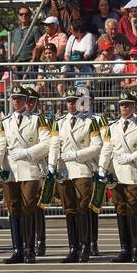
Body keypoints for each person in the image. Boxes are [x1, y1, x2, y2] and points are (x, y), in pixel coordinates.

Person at [0, 84, 52, 264]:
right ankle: (17, 249)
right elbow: (1, 145)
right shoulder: (6, 121)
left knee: (28, 207)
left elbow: (47, 143)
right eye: (14, 98)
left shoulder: (37, 119)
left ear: (26, 101)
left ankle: (29, 249)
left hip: (30, 168)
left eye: (20, 98)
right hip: (10, 169)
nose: (16, 101)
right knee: (13, 209)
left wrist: (27, 152)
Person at [98, 89, 137, 263]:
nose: (124, 108)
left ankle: (136, 248)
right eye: (122, 105)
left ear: (134, 106)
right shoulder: (112, 127)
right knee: (121, 210)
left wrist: (132, 156)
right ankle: (124, 248)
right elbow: (106, 149)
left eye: (128, 105)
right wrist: (102, 168)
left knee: (134, 210)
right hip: (117, 174)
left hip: (133, 172)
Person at [47, 86, 103, 262]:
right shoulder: (59, 122)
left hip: (82, 168)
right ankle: (73, 247)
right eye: (69, 101)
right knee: (69, 209)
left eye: (75, 101)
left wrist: (77, 154)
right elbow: (55, 144)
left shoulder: (90, 122)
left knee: (83, 207)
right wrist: (51, 165)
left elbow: (97, 146)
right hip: (64, 170)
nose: (71, 105)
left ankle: (86, 246)